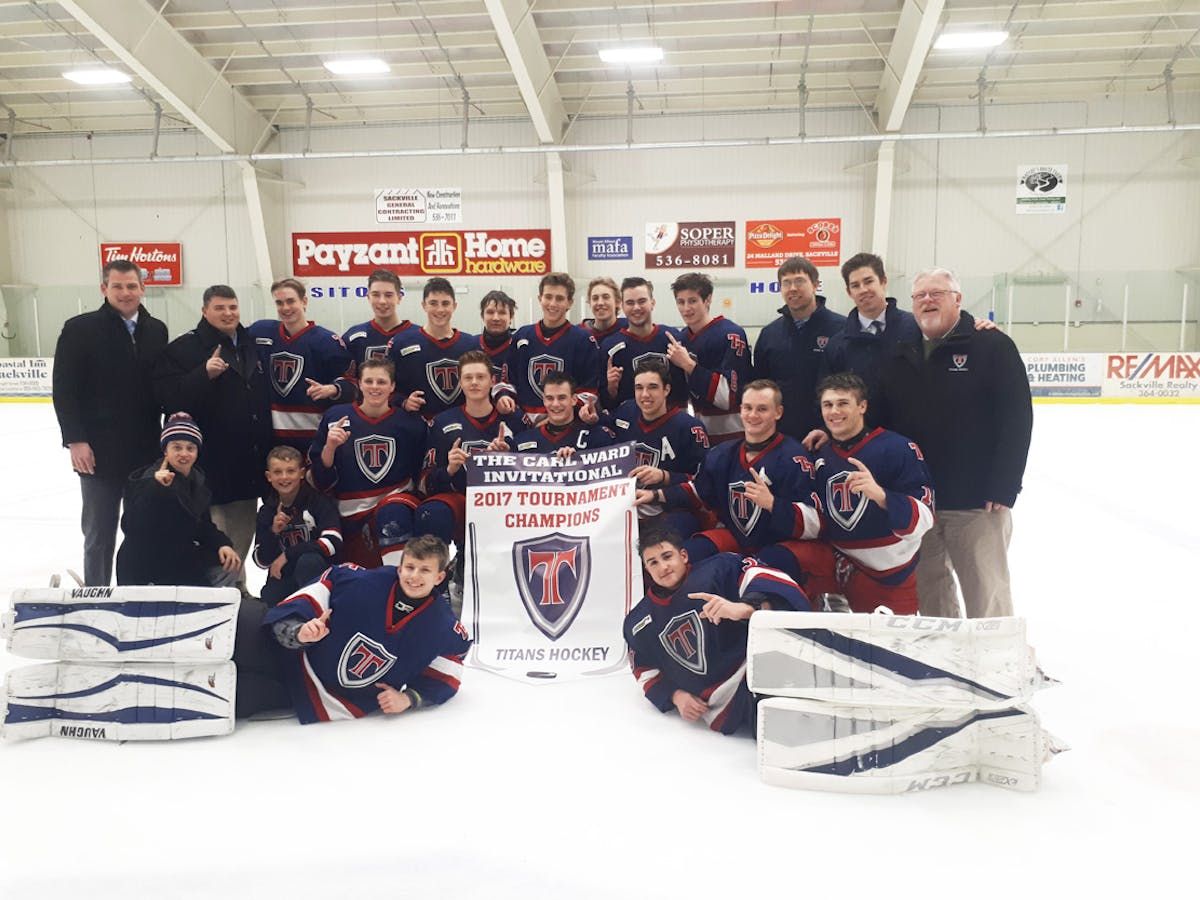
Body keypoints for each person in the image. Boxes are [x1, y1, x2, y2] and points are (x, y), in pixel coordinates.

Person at [875, 267, 1033, 618]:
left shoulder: (991, 346)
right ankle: (945, 661)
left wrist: (1005, 484)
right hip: (922, 500)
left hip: (977, 502)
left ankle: (995, 663)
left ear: (958, 300)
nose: (927, 300)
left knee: (985, 592)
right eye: (920, 296)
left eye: (937, 293)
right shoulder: (901, 353)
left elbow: (1016, 419)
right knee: (932, 593)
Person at [246, 536, 472, 724]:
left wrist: (409, 698)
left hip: (325, 700)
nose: (414, 576)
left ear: (440, 576)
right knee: (237, 628)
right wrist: (298, 631)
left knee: (237, 696)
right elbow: (322, 587)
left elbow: (448, 674)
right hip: (293, 657)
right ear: (400, 567)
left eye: (425, 570)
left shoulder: (443, 625)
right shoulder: (362, 582)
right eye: (410, 567)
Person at [645, 379, 836, 597]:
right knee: (686, 556)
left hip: (780, 545)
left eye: (762, 409)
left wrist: (773, 504)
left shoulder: (795, 459)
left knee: (760, 572)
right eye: (747, 408)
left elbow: (818, 523)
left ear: (778, 412)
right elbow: (698, 493)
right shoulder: (721, 454)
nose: (753, 415)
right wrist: (656, 495)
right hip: (736, 537)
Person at [623, 526, 809, 735]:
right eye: (653, 562)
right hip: (724, 705)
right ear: (647, 570)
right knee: (789, 733)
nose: (663, 566)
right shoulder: (638, 621)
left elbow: (773, 582)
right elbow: (643, 668)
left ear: (683, 555)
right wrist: (675, 695)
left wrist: (744, 608)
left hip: (762, 667)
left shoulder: (720, 568)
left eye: (667, 556)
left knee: (812, 712)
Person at [52, 258, 168, 586]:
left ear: (143, 288)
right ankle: (97, 595)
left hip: (145, 452)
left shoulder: (156, 330)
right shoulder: (80, 329)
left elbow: (160, 386)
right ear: (105, 289)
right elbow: (64, 389)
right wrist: (76, 440)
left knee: (142, 530)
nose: (125, 292)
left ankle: (136, 593)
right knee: (99, 534)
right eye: (117, 286)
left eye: (132, 286)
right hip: (97, 454)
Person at [154, 284, 272, 588]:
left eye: (232, 307)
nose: (228, 313)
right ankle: (223, 592)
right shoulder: (184, 349)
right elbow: (169, 400)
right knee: (216, 538)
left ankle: (238, 589)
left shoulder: (250, 345)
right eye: (219, 308)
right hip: (211, 467)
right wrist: (202, 374)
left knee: (243, 536)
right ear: (205, 311)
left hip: (248, 465)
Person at [804, 373, 934, 615]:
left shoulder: (898, 448)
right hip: (840, 565)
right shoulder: (819, 454)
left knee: (894, 647)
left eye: (843, 403)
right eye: (828, 405)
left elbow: (924, 518)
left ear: (862, 406)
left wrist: (883, 496)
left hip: (890, 575)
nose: (834, 411)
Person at [824, 252, 991, 419]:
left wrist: (973, 325)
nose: (863, 290)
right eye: (855, 285)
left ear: (883, 282)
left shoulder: (919, 327)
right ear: (848, 292)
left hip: (913, 431)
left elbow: (951, 328)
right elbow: (830, 394)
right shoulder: (838, 344)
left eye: (869, 281)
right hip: (863, 437)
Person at [308, 358, 426, 567]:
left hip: (394, 504)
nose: (374, 387)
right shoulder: (335, 417)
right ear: (359, 384)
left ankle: (397, 581)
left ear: (392, 386)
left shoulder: (410, 423)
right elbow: (320, 481)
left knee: (395, 513)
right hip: (350, 515)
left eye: (381, 382)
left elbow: (419, 472)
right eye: (369, 381)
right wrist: (330, 447)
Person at [115, 413, 242, 587]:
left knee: (229, 564)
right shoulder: (145, 479)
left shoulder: (197, 482)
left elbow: (203, 527)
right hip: (145, 565)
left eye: (190, 448)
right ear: (165, 450)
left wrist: (223, 545)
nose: (184, 454)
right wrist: (155, 488)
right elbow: (131, 526)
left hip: (180, 560)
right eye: (177, 447)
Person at [416, 351, 524, 547]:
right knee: (432, 512)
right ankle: (438, 572)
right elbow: (425, 482)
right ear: (460, 382)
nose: (474, 382)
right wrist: (449, 470)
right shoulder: (442, 422)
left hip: (504, 501)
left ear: (492, 381)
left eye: (480, 377)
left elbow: (533, 473)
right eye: (468, 377)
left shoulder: (514, 420)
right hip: (461, 499)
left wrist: (508, 458)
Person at [607, 358, 709, 537]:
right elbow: (598, 449)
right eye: (639, 387)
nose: (645, 394)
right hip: (625, 509)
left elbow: (705, 485)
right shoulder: (626, 412)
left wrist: (665, 476)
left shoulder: (689, 427)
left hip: (671, 511)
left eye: (652, 387)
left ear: (666, 389)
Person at [248, 278, 352, 453]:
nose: (285, 308)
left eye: (290, 301)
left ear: (304, 301)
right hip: (271, 436)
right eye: (279, 303)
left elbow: (352, 385)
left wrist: (332, 389)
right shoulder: (261, 332)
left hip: (313, 435)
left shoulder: (327, 342)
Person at [751, 255, 846, 440]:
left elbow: (850, 386)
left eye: (799, 281)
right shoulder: (770, 334)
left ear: (815, 284)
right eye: (786, 283)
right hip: (781, 435)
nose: (793, 288)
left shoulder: (841, 328)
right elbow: (761, 387)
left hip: (831, 433)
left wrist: (827, 429)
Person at [665, 272, 751, 444]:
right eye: (680, 302)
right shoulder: (681, 339)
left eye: (693, 300)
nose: (686, 308)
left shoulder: (731, 335)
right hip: (702, 436)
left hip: (736, 436)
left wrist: (688, 365)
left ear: (708, 299)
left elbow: (727, 398)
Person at [252, 445, 343, 606]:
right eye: (278, 472)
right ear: (268, 476)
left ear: (301, 473)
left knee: (308, 562)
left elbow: (332, 543)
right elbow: (261, 560)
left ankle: (316, 613)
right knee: (268, 598)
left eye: (291, 471)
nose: (284, 477)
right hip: (286, 575)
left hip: (321, 575)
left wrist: (288, 554)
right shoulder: (267, 511)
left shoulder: (318, 501)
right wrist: (273, 532)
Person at [508, 272, 602, 419]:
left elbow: (589, 390)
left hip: (565, 426)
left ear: (570, 303)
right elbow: (509, 381)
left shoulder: (583, 340)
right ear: (540, 298)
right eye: (548, 297)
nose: (552, 303)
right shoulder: (522, 336)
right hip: (524, 426)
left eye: (559, 298)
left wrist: (555, 419)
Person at [386, 277, 477, 420]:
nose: (440, 309)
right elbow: (384, 387)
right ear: (424, 305)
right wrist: (403, 402)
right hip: (418, 427)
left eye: (445, 303)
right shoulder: (401, 343)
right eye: (433, 303)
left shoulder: (470, 344)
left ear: (454, 306)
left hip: (460, 427)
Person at [598, 276, 687, 410]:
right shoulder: (610, 347)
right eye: (630, 302)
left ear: (652, 303)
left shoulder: (672, 338)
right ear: (622, 306)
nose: (636, 307)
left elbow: (685, 389)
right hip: (631, 426)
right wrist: (611, 388)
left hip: (670, 424)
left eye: (642, 301)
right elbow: (606, 403)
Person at [337, 268, 414, 401]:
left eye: (389, 295)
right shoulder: (353, 338)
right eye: (376, 295)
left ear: (399, 297)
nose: (382, 301)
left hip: (404, 416)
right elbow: (347, 381)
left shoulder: (416, 336)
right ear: (368, 297)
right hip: (364, 416)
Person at [506, 372, 614, 457]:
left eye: (562, 398)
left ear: (574, 399)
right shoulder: (522, 440)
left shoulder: (596, 437)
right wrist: (496, 455)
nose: (555, 404)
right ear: (544, 400)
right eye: (550, 398)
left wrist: (578, 460)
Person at [476, 289, 519, 413]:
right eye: (490, 312)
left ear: (511, 317)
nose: (496, 318)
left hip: (511, 413)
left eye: (502, 312)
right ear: (482, 316)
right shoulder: (470, 346)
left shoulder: (520, 348)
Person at [580, 275, 626, 343]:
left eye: (606, 297)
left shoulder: (628, 329)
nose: (600, 303)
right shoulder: (579, 334)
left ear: (617, 302)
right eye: (595, 298)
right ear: (589, 303)